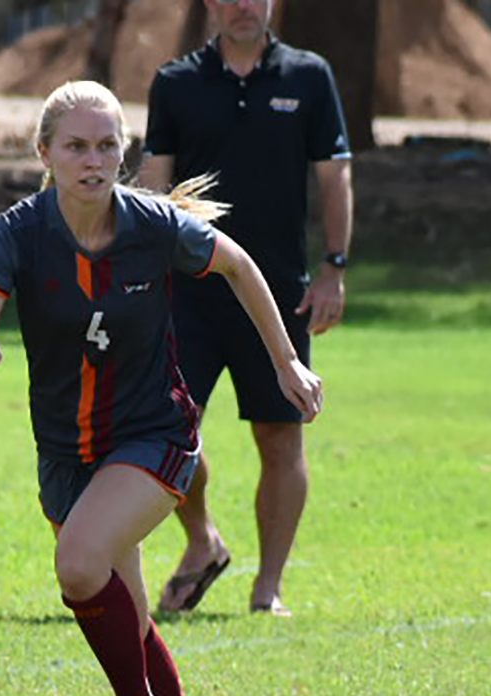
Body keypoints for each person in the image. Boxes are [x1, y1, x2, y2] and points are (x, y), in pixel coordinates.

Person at [0, 81, 322, 696]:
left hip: (154, 432)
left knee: (78, 562)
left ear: (124, 152)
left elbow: (240, 266)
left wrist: (286, 362)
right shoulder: (17, 233)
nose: (92, 160)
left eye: (106, 145)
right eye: (76, 146)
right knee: (126, 610)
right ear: (46, 154)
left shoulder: (153, 225)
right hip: (66, 449)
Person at [140, 0, 353, 617]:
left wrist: (334, 267)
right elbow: (156, 182)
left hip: (279, 292)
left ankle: (270, 589)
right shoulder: (176, 82)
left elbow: (335, 175)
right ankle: (203, 539)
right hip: (190, 292)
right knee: (168, 431)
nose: (240, 6)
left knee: (280, 437)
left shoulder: (308, 76)